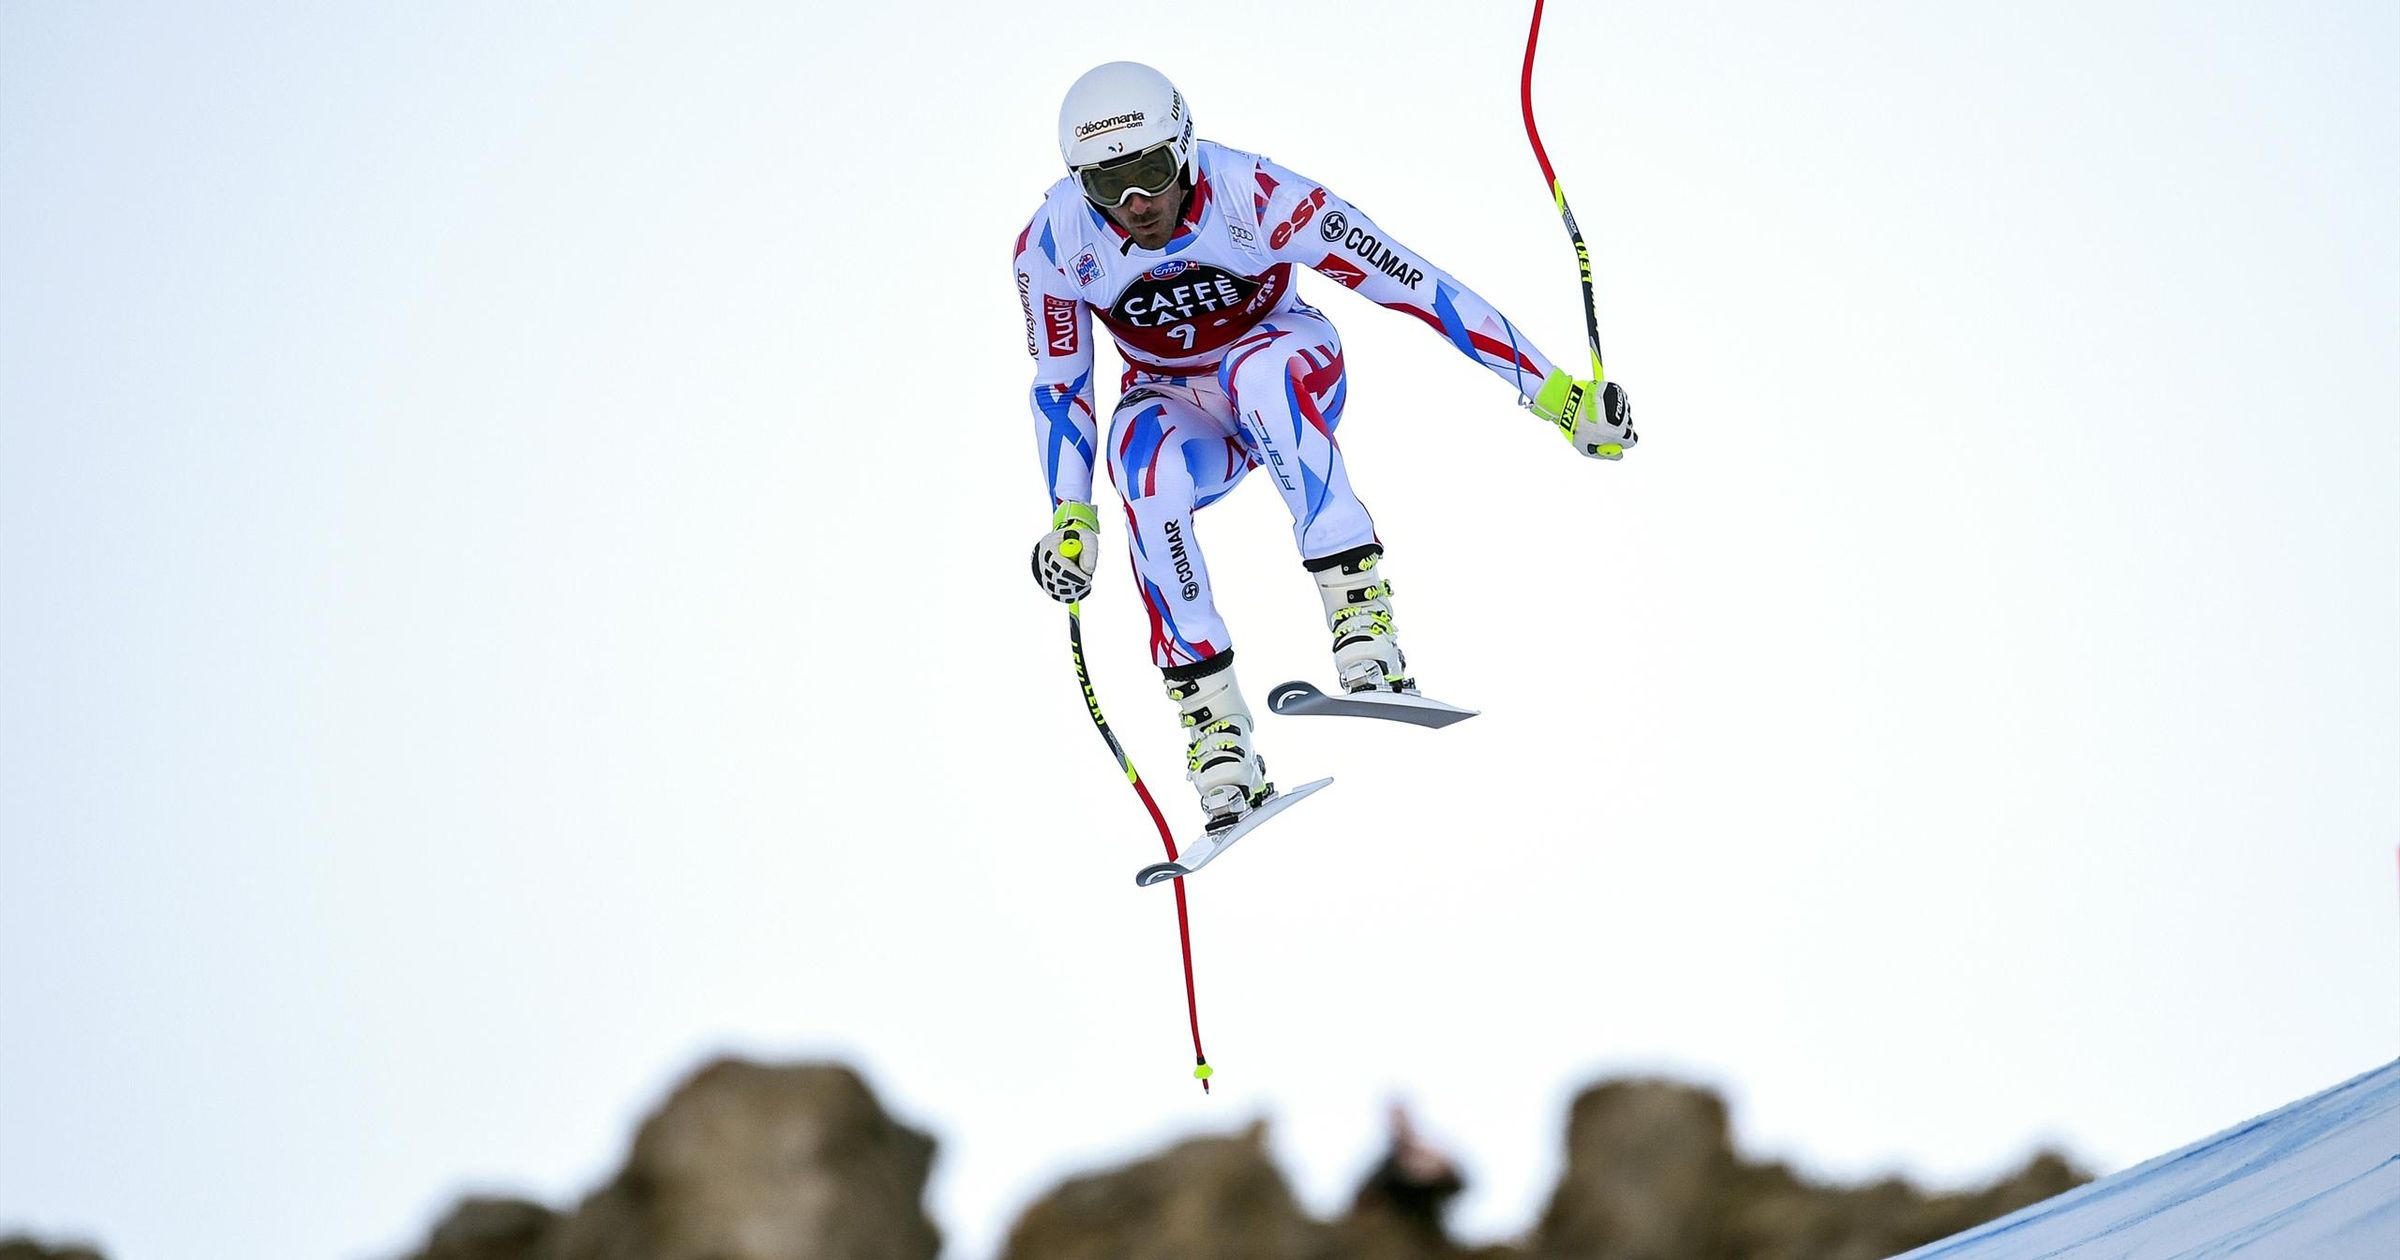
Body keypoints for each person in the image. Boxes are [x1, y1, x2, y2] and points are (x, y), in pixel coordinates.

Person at [1017, 61, 1634, 835]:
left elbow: (1416, 284)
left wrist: (1554, 393)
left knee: (1258, 367)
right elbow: (1060, 383)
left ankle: (1364, 629)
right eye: (1108, 186)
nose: (1136, 204)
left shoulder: (1261, 198)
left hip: (1288, 365)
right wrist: (1072, 515)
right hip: (1182, 410)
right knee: (1138, 453)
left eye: (1149, 171)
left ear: (1184, 145)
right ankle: (1217, 738)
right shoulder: (1054, 241)